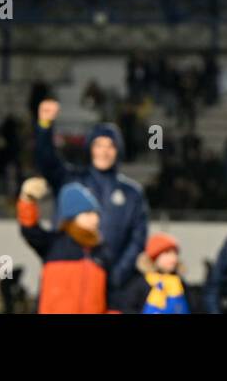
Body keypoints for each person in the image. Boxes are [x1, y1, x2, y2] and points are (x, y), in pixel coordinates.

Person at [34, 99, 147, 296]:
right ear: (90, 149)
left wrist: (116, 276)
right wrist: (45, 126)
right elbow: (46, 160)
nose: (104, 151)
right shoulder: (70, 180)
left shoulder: (132, 194)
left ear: (117, 151)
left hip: (113, 286)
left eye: (110, 146)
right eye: (98, 145)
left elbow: (137, 240)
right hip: (68, 279)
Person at [18, 178, 108, 314]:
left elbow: (111, 294)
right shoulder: (54, 243)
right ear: (72, 216)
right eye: (88, 213)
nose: (95, 219)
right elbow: (30, 230)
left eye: (96, 214)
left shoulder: (99, 250)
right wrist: (28, 201)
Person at [118, 232, 190, 314]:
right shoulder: (140, 283)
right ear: (154, 257)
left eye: (175, 253)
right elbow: (128, 308)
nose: (173, 258)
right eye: (167, 253)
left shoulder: (179, 283)